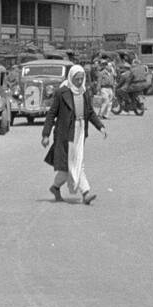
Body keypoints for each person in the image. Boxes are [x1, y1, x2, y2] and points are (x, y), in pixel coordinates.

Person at [41, 64, 107, 205]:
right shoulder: (62, 93)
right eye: (77, 79)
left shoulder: (84, 92)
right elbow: (52, 114)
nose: (79, 81)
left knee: (69, 166)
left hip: (80, 131)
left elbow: (89, 112)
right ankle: (86, 193)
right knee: (75, 164)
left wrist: (100, 127)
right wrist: (46, 134)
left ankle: (55, 187)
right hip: (66, 133)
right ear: (71, 77)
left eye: (81, 78)